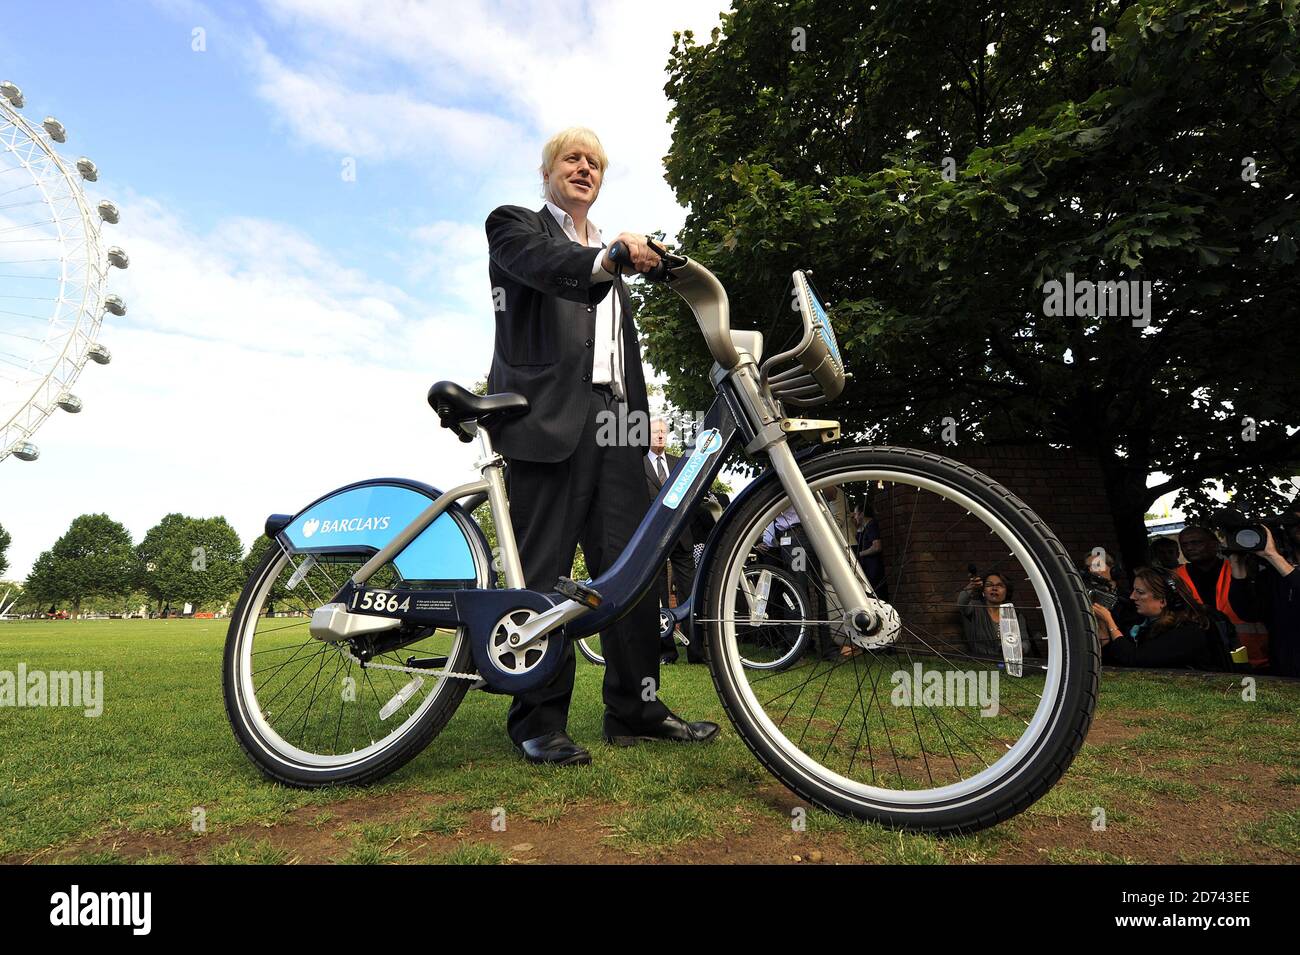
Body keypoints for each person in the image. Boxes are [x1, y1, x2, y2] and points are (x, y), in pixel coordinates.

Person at [484, 126, 718, 766]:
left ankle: (635, 709)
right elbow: (546, 269)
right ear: (548, 172)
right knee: (543, 574)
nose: (583, 168)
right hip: (546, 422)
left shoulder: (611, 254)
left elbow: (623, 360)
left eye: (594, 162)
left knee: (633, 571)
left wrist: (642, 434)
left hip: (617, 429)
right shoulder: (516, 227)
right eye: (571, 158)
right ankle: (537, 720)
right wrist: (608, 259)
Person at [1092, 567, 1233, 670]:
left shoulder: (1189, 630)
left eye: (1140, 592)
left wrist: (1111, 623)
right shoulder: (1144, 623)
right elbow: (1116, 659)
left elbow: (1135, 659)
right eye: (1134, 590)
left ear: (1163, 601)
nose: (1132, 597)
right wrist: (1104, 628)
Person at [644, 416, 699, 663]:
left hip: (681, 538)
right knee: (659, 596)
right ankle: (666, 651)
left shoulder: (679, 464)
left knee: (691, 591)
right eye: (655, 432)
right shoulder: (639, 466)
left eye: (663, 433)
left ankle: (697, 650)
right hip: (653, 539)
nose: (659, 436)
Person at [1174, 524, 1265, 670]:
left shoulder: (1241, 568)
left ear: (1215, 545)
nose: (1189, 548)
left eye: (1196, 542)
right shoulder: (1176, 577)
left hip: (1252, 656)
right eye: (1184, 544)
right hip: (1205, 657)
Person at [1230, 515, 1300, 678]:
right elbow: (1249, 613)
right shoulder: (1273, 576)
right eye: (1295, 524)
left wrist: (1273, 557)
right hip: (1285, 670)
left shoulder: (1278, 565)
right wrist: (1238, 567)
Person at [956, 571, 1044, 661]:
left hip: (1010, 663)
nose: (994, 588)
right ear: (983, 591)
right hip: (982, 664)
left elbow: (1025, 641)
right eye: (989, 585)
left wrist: (1020, 649)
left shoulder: (1016, 614)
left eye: (1000, 585)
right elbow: (961, 603)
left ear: (1006, 592)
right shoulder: (974, 609)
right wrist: (971, 587)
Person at [852, 500, 889, 600]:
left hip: (874, 569)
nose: (854, 517)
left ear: (862, 514)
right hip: (870, 569)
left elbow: (877, 546)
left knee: (877, 596)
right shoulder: (865, 528)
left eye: (855, 514)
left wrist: (859, 554)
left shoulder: (872, 525)